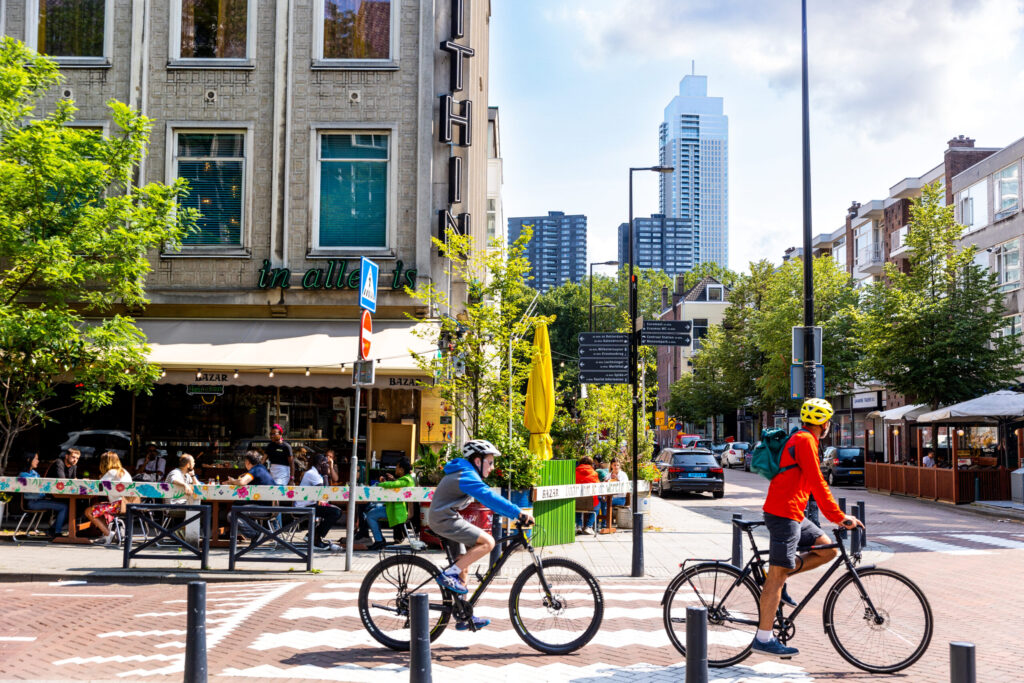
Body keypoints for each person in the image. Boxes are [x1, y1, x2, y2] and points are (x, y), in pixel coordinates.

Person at [754, 398, 863, 659]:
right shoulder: (804, 441)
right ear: (824, 424)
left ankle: (780, 576)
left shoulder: (802, 438)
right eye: (828, 422)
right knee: (777, 576)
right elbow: (818, 482)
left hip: (793, 513)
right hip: (783, 515)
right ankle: (764, 638)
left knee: (827, 549)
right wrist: (839, 517)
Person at [428, 440, 534, 632]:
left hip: (447, 516)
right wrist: (518, 513)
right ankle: (448, 575)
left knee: (464, 566)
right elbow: (489, 497)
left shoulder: (465, 471)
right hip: (444, 519)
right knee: (488, 542)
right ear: (478, 461)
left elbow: (488, 499)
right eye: (490, 462)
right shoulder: (465, 474)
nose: (493, 467)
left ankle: (463, 615)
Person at [364, 458, 416, 550]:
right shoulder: (408, 479)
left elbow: (393, 485)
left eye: (397, 467)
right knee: (372, 507)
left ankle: (379, 540)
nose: (395, 469)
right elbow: (396, 484)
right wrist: (390, 481)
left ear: (401, 469)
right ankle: (376, 537)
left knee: (370, 515)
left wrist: (378, 485)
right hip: (396, 508)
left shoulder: (406, 480)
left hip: (398, 511)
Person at [84, 452, 136, 545]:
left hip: (118, 506)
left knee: (88, 511)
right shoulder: (124, 471)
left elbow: (97, 487)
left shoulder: (111, 472)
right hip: (127, 505)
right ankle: (106, 535)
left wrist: (86, 481)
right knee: (97, 506)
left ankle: (108, 534)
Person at [296, 454, 342, 551]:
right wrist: (325, 474)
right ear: (321, 463)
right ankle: (315, 538)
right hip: (304, 507)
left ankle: (312, 535)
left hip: (310, 505)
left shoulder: (315, 473)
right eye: (326, 463)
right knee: (335, 512)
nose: (327, 466)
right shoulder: (312, 474)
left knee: (336, 511)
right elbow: (323, 493)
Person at [19, 452, 69, 538]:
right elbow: (36, 489)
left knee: (64, 505)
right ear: (28, 460)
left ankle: (53, 530)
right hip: (33, 502)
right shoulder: (24, 475)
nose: (38, 461)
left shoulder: (34, 472)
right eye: (36, 459)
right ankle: (56, 532)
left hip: (39, 500)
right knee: (64, 507)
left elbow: (40, 487)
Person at [598, 458, 629, 528]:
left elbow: (625, 486)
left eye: (618, 465)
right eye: (614, 465)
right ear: (611, 466)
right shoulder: (609, 475)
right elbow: (603, 484)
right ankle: (600, 522)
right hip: (608, 497)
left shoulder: (623, 475)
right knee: (600, 499)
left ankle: (605, 523)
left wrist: (617, 479)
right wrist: (607, 481)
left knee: (605, 501)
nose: (616, 467)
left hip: (620, 498)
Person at [574, 456, 600, 535]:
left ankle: (578, 525)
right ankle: (588, 526)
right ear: (591, 464)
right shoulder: (594, 473)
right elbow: (598, 485)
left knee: (578, 504)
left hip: (577, 502)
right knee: (598, 505)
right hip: (591, 503)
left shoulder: (574, 472)